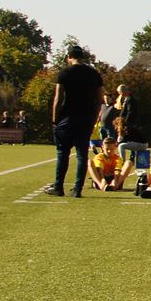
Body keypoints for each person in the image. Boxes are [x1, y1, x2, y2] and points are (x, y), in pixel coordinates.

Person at [47, 45, 104, 197]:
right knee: (82, 154)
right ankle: (77, 189)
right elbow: (99, 100)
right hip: (85, 119)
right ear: (83, 57)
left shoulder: (65, 73)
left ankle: (58, 187)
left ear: (69, 57)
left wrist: (54, 119)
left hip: (67, 118)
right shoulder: (94, 74)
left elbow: (58, 98)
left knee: (62, 153)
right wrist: (93, 118)